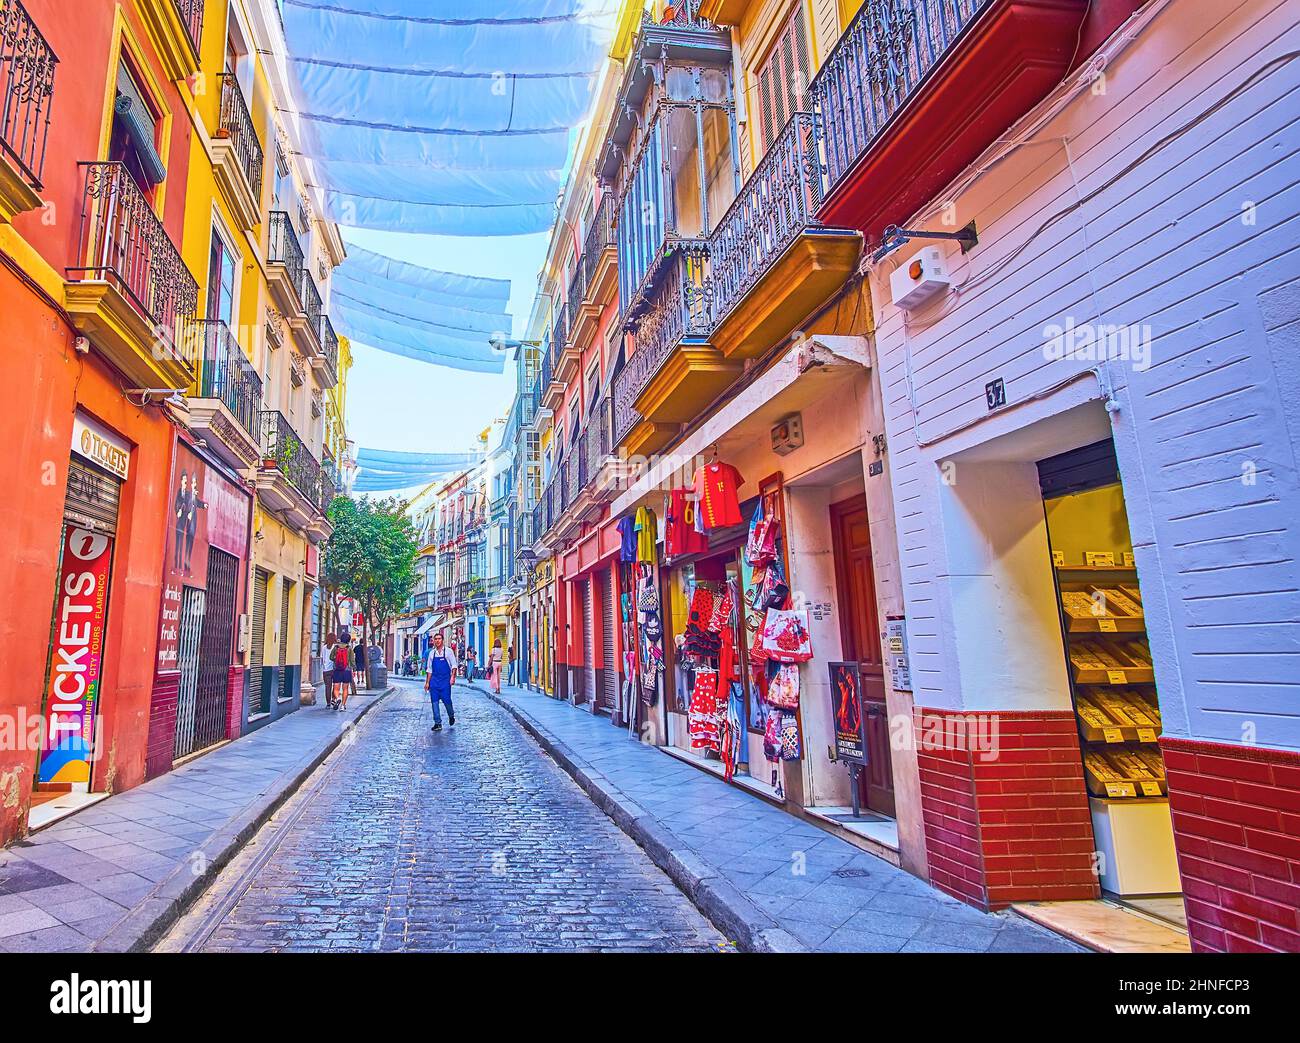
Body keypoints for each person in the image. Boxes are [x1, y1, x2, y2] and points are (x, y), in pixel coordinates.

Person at [424, 632, 458, 732]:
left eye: (439, 639)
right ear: (434, 641)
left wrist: (452, 678)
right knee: (434, 702)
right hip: (434, 681)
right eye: (436, 639)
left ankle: (451, 715)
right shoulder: (431, 653)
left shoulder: (448, 652)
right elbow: (429, 669)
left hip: (445, 681)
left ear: (442, 640)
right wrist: (427, 683)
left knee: (447, 701)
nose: (437, 641)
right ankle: (437, 723)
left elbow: (454, 666)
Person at [331, 635, 352, 710]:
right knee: (345, 689)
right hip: (346, 671)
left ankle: (337, 698)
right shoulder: (349, 648)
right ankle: (343, 706)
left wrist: (336, 661)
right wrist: (353, 668)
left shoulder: (336, 647)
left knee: (336, 688)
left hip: (337, 670)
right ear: (348, 640)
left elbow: (331, 657)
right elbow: (352, 661)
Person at [322, 632, 338, 708]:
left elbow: (323, 658)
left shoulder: (324, 647)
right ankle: (333, 700)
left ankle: (328, 703)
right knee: (335, 685)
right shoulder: (336, 647)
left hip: (326, 670)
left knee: (328, 687)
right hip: (334, 669)